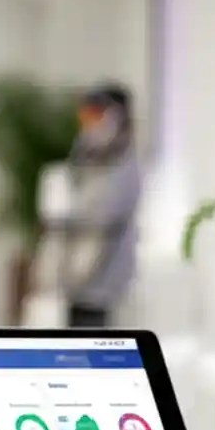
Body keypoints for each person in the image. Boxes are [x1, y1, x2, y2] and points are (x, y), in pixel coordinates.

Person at [65, 84, 142, 328]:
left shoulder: (125, 160)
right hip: (77, 258)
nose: (89, 123)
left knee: (94, 327)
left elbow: (112, 212)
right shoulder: (85, 151)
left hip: (107, 256)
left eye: (96, 114)